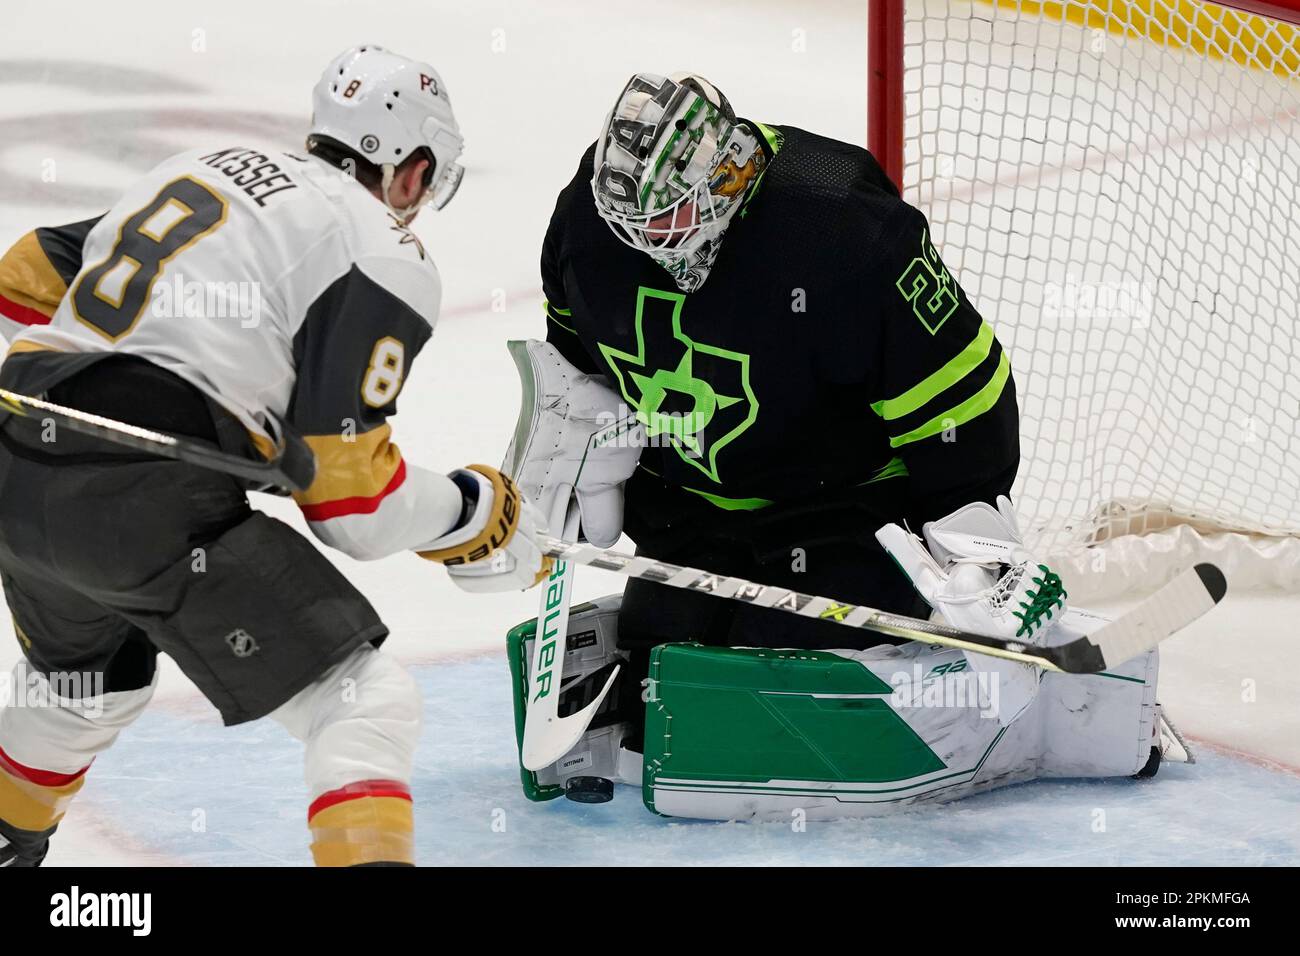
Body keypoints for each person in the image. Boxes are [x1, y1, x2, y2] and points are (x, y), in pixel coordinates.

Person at [0, 45, 546, 868]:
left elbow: (27, 278)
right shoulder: (378, 248)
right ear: (412, 170)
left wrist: (170, 394)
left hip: (18, 461)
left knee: (84, 691)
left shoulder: (207, 165)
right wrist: (468, 513)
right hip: (142, 501)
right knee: (364, 704)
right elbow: (352, 507)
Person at [512, 72, 1021, 734]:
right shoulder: (592, 221)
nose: (650, 243)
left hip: (843, 512)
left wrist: (971, 538)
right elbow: (577, 361)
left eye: (670, 218)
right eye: (635, 225)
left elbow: (960, 395)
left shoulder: (839, 225)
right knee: (660, 680)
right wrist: (576, 457)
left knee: (765, 692)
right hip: (691, 513)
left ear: (726, 175)